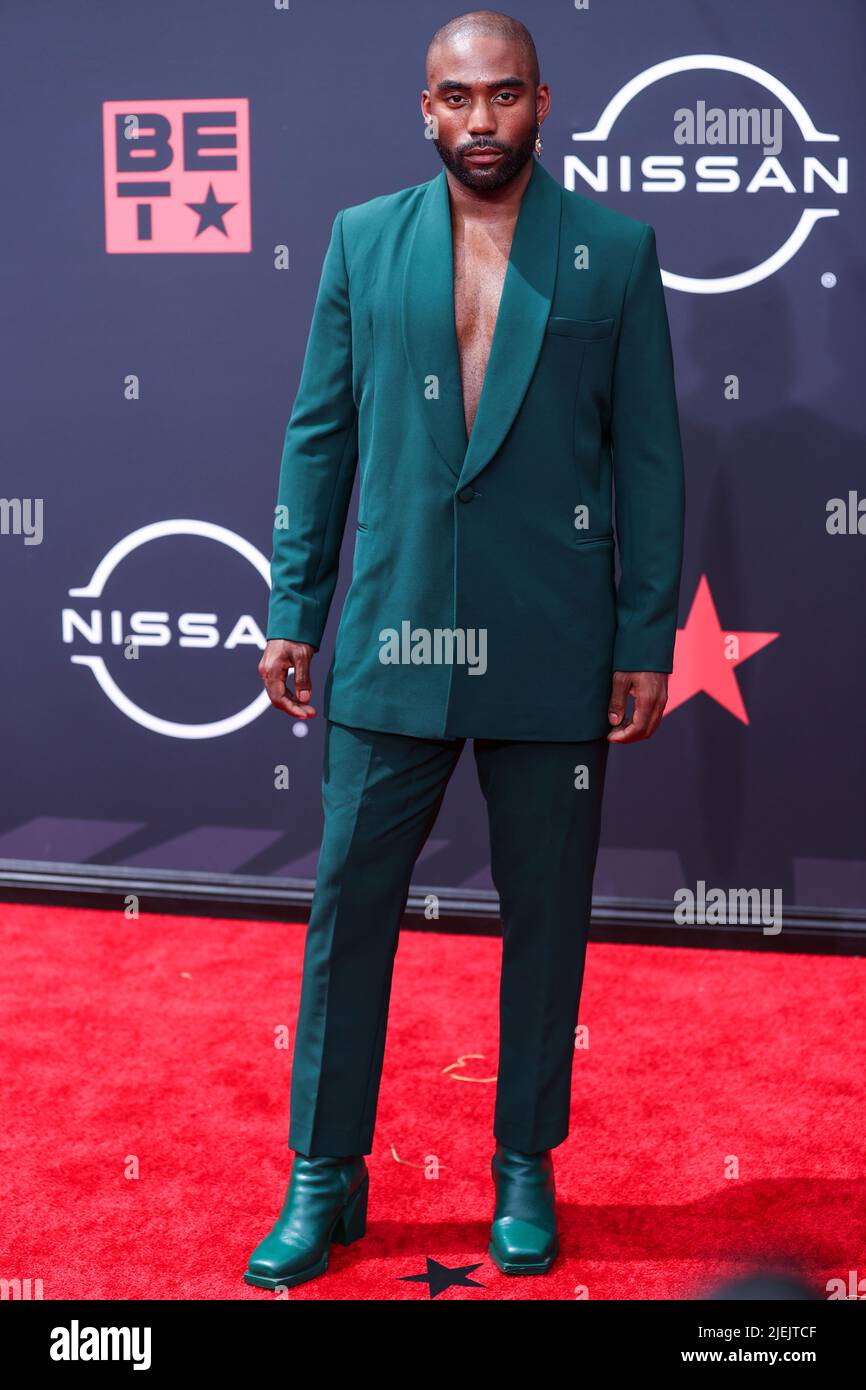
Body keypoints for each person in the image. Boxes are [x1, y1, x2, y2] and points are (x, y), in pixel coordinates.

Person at [245, 8, 685, 1289]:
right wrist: (292, 601)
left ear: (543, 105)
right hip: (389, 631)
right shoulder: (358, 243)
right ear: (423, 110)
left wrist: (643, 629)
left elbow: (648, 459)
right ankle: (323, 1178)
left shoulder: (613, 249)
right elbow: (316, 436)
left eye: (503, 95)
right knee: (345, 916)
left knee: (543, 919)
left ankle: (521, 1164)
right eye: (456, 97)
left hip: (552, 641)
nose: (479, 119)